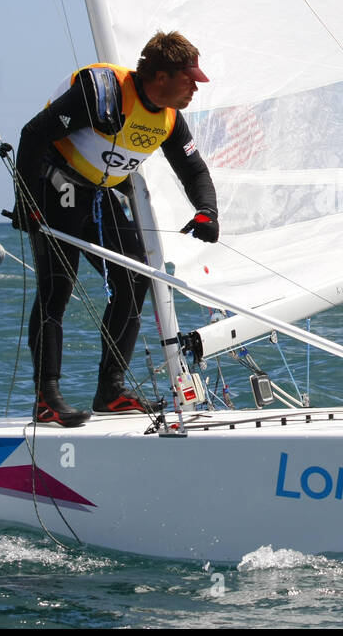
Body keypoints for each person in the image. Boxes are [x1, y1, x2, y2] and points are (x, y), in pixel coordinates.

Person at [14, 31, 219, 427]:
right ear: (160, 76)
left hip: (99, 192)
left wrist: (206, 211)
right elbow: (33, 134)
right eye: (188, 78)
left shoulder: (170, 118)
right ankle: (47, 398)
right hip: (56, 185)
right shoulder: (101, 92)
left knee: (134, 278)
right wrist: (27, 203)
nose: (195, 87)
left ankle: (110, 392)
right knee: (57, 287)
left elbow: (193, 169)